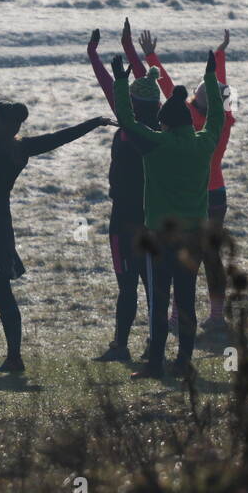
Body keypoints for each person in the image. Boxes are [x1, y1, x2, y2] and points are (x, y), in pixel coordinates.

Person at [0, 103, 112, 372]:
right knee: (3, 293)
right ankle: (14, 357)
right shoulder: (21, 149)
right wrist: (95, 121)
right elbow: (61, 136)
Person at [112, 51, 224, 379]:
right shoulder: (205, 144)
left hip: (160, 237)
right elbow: (216, 115)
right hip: (194, 236)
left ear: (164, 123)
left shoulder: (155, 144)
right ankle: (184, 363)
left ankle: (155, 363)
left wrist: (121, 82)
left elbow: (127, 120)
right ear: (189, 122)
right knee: (186, 300)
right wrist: (210, 80)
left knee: (159, 302)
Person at [138, 28, 236, 336]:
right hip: (216, 194)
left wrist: (151, 56)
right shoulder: (223, 121)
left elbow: (169, 88)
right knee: (211, 256)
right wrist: (218, 58)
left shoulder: (187, 121)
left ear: (194, 99)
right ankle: (217, 315)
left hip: (190, 195)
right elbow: (219, 89)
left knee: (182, 257)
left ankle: (175, 318)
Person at [86, 25, 160, 362]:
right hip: (155, 218)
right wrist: (128, 50)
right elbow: (145, 85)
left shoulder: (128, 126)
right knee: (155, 287)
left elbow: (112, 88)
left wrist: (95, 56)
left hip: (126, 219)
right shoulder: (163, 130)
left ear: (131, 104)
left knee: (128, 286)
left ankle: (121, 345)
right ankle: (152, 347)